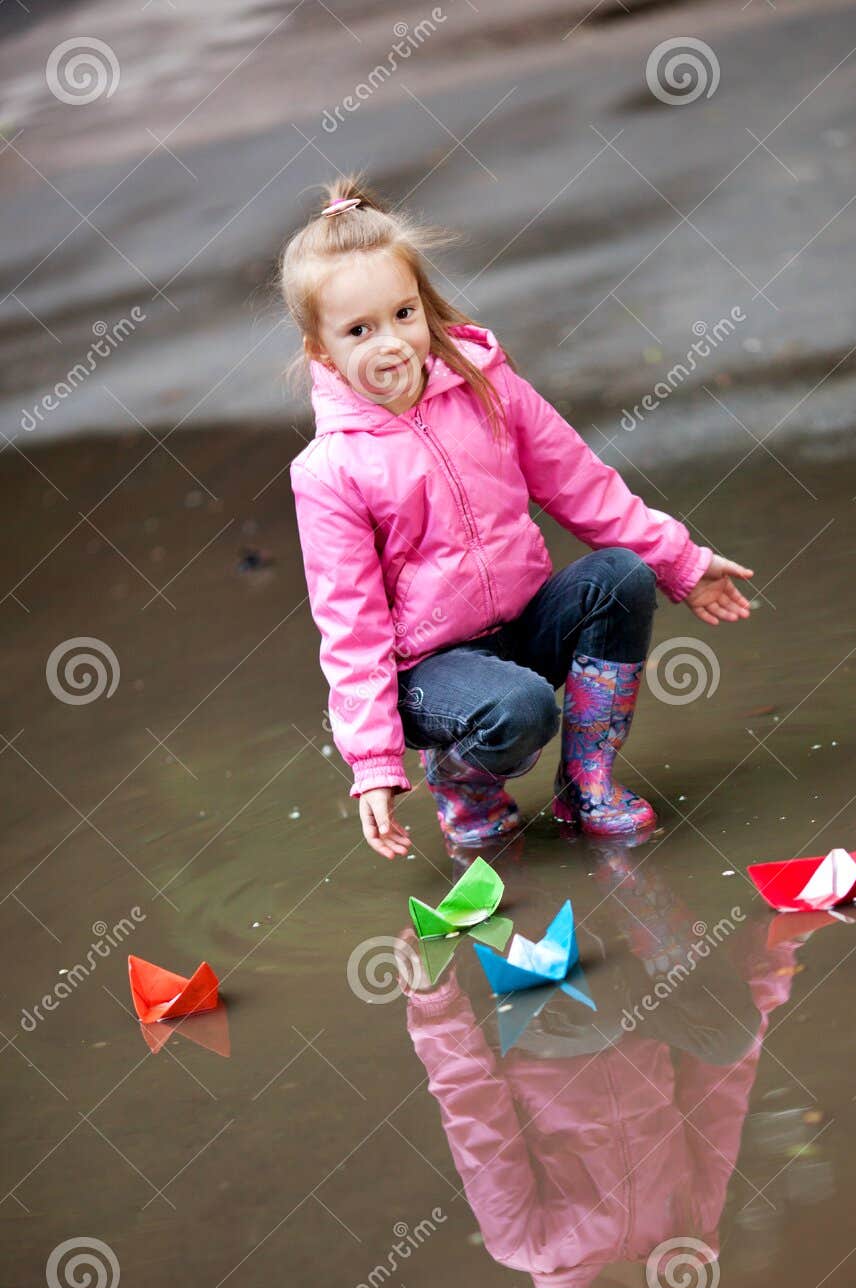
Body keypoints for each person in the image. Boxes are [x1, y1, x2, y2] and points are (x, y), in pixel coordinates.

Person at [279, 174, 753, 856]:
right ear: (323, 352)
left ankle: (585, 783)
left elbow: (580, 485)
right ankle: (463, 784)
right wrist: (374, 764)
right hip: (435, 671)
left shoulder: (484, 383)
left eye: (403, 314)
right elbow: (349, 625)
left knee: (621, 576)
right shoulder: (331, 470)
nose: (392, 342)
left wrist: (681, 562)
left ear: (423, 305)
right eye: (359, 330)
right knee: (521, 708)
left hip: (523, 627)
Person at [398, 843, 809, 1288]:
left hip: (548, 1027)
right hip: (638, 1016)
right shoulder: (690, 1232)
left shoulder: (529, 1243)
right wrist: (769, 965)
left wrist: (434, 1007)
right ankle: (621, 865)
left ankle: (483, 868)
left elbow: (473, 1111)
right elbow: (719, 1093)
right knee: (728, 1037)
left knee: (589, 1014)